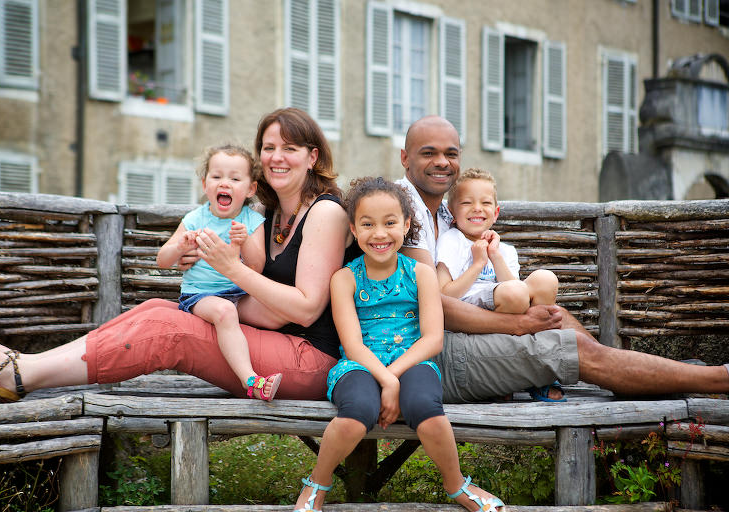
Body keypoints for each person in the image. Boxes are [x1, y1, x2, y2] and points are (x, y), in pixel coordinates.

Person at [0, 107, 356, 404]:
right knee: (157, 309)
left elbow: (305, 309)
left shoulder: (325, 213)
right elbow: (257, 286)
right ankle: (26, 364)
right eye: (268, 148)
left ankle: (22, 375)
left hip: (309, 360)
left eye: (290, 148)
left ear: (313, 157)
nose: (276, 157)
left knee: (171, 333)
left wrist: (231, 269)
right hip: (268, 340)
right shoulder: (265, 215)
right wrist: (197, 258)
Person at [397, 115, 729, 403]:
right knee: (573, 347)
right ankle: (716, 380)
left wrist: (526, 316)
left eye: (451, 154)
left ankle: (643, 375)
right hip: (432, 358)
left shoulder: (443, 210)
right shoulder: (405, 208)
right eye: (429, 153)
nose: (442, 162)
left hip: (457, 340)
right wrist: (518, 325)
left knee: (556, 316)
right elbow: (436, 306)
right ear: (405, 158)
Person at [293, 177, 504, 512]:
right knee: (356, 412)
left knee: (426, 407)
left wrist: (396, 374)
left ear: (406, 225)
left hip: (414, 360)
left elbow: (433, 338)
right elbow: (352, 344)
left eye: (390, 223)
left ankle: (456, 484)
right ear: (353, 228)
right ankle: (317, 483)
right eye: (367, 224)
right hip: (359, 365)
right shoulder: (344, 279)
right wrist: (388, 379)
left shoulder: (421, 274)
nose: (379, 234)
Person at [157, 144, 281, 401]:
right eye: (217, 176)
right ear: (205, 184)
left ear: (250, 189)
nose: (225, 183)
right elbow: (162, 260)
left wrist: (244, 240)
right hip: (201, 295)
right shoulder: (195, 219)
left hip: (239, 292)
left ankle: (285, 364)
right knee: (225, 312)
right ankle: (251, 380)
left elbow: (257, 267)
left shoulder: (251, 221)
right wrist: (180, 246)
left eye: (235, 178)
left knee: (279, 308)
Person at [436, 167, 558, 314]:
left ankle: (537, 326)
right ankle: (525, 325)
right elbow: (444, 294)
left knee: (546, 279)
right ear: (452, 213)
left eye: (486, 203)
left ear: (495, 213)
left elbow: (518, 293)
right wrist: (478, 264)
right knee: (515, 291)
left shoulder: (505, 250)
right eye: (466, 202)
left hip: (507, 300)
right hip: (470, 310)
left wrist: (494, 255)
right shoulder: (452, 241)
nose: (477, 208)